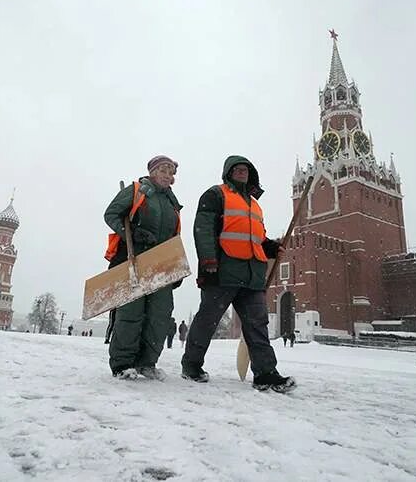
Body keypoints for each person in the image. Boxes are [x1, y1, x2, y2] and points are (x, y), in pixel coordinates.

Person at [181, 156, 296, 393]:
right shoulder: (215, 195)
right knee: (207, 320)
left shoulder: (254, 204)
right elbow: (203, 229)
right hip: (222, 271)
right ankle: (191, 365)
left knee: (257, 325)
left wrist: (271, 247)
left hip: (252, 275)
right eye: (237, 169)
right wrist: (208, 260)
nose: (242, 172)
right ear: (228, 173)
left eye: (246, 169)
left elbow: (256, 239)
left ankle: (265, 373)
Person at [103, 155, 183, 380]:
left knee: (160, 315)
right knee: (131, 313)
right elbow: (111, 214)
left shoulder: (172, 202)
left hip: (161, 266)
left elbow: (174, 236)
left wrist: (176, 267)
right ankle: (122, 364)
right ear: (153, 172)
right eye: (163, 171)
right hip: (134, 260)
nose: (167, 176)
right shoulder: (136, 190)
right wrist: (132, 231)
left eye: (170, 173)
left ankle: (147, 363)